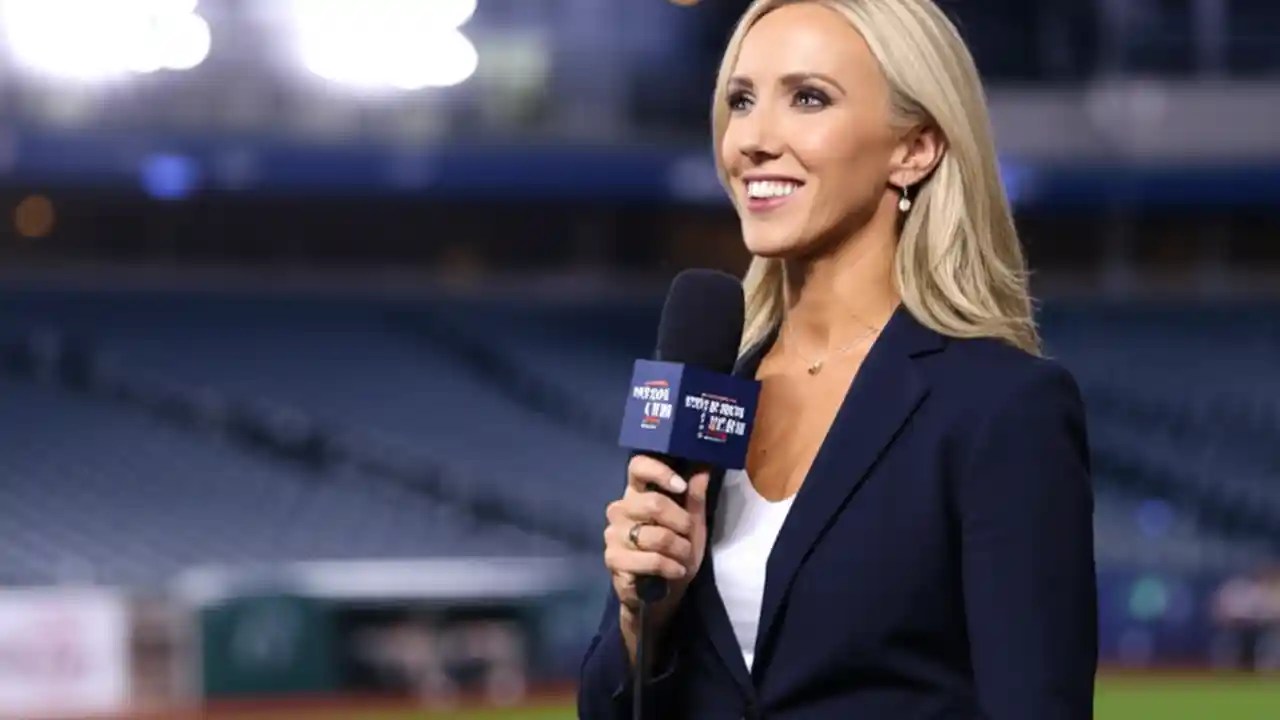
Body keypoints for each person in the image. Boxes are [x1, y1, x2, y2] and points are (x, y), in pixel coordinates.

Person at [578, 0, 1098, 718]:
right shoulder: (702, 395)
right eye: (741, 100)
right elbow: (609, 708)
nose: (753, 139)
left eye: (809, 98)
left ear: (915, 148)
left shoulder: (1002, 408)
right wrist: (644, 622)